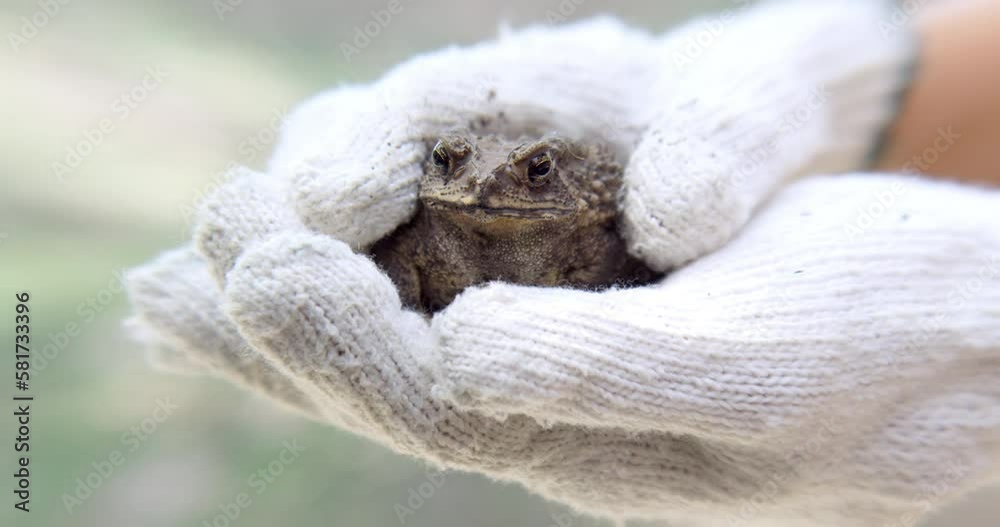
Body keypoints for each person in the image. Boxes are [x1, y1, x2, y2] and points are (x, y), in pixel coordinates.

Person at [126, 1, 1000, 525]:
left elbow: (641, 247)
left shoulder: (596, 219)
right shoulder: (436, 217)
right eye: (449, 167)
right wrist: (856, 72)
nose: (482, 186)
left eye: (531, 171)